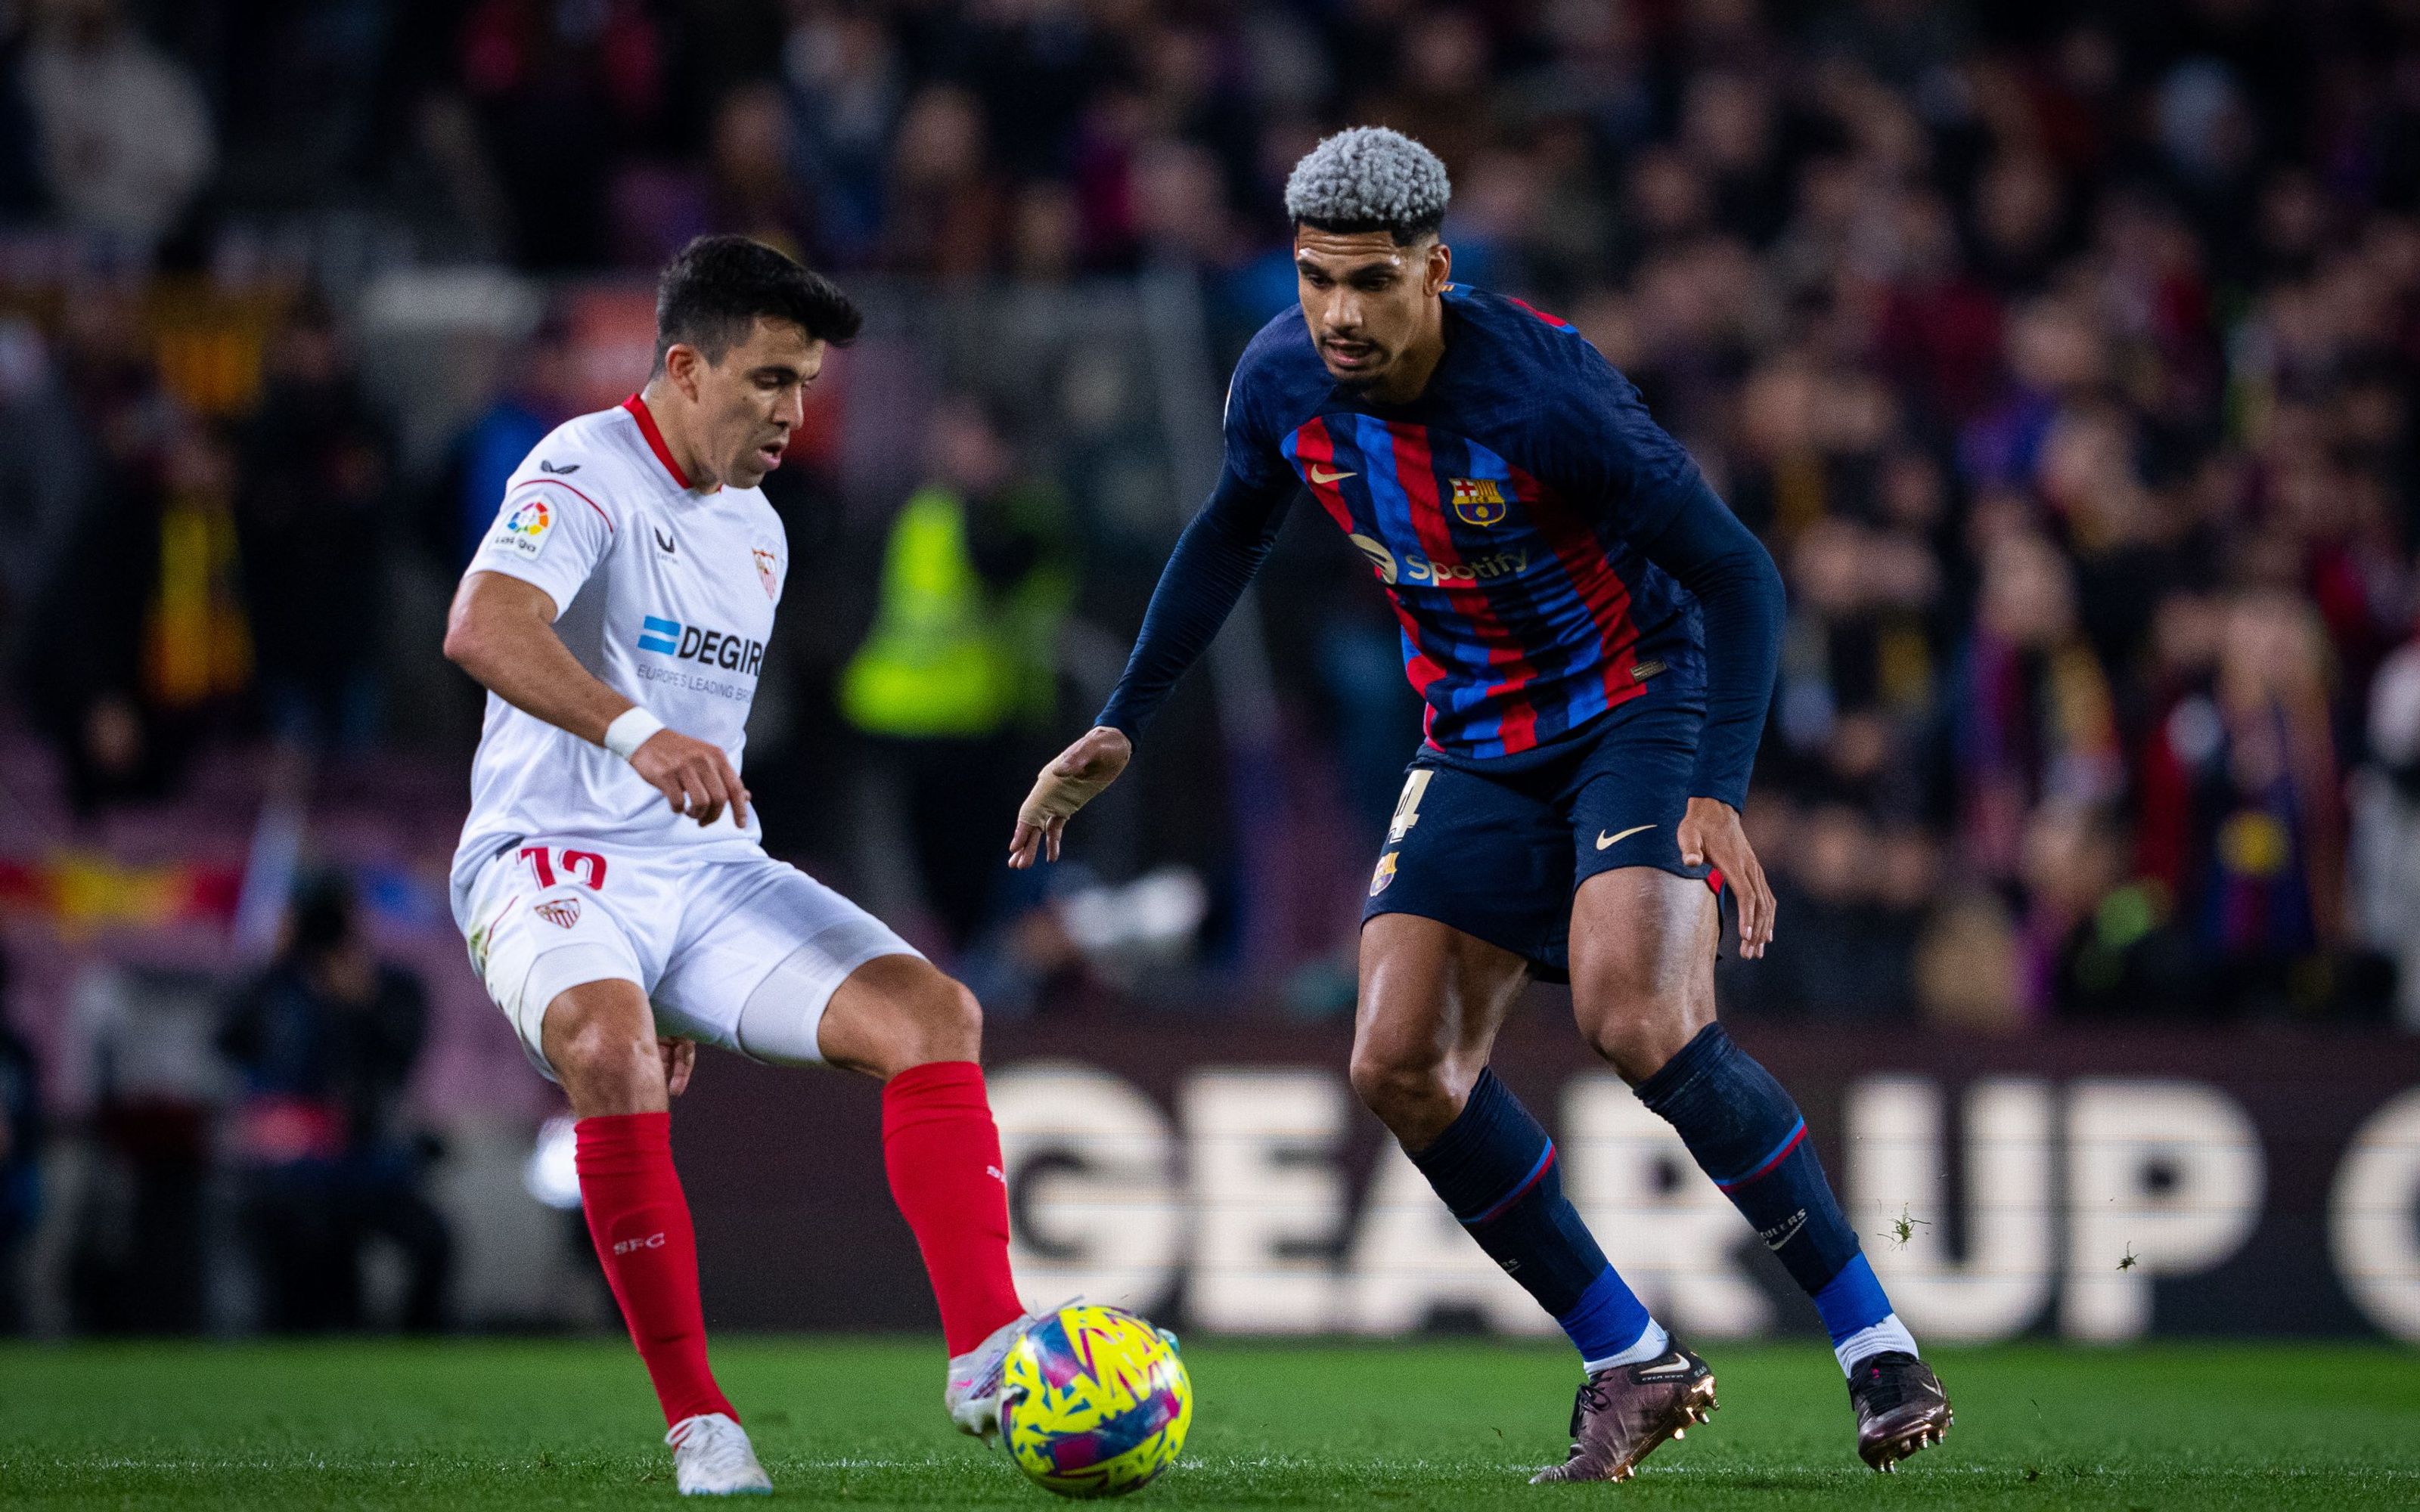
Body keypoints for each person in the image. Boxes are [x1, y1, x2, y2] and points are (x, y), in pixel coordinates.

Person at [1012, 129, 1951, 1481]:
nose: (1339, 311)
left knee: (1638, 1015)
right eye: (1317, 277)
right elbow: (1228, 531)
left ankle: (1877, 1347)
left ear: (1437, 271)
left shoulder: (1550, 396)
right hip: (1477, 736)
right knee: (1397, 1061)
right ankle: (1630, 1362)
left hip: (1641, 699)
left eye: (1374, 281)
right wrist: (1123, 719)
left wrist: (1721, 794)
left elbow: (1740, 576)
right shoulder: (1280, 375)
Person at [442, 235, 1037, 1495]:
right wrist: (632, 732)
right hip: (546, 857)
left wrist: (677, 971)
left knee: (936, 1014)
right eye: (770, 380)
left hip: (698, 877)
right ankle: (701, 1423)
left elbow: (702, 770)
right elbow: (484, 626)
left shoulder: (757, 534)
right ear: (683, 367)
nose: (794, 413)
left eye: (807, 385)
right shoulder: (581, 465)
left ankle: (988, 1351)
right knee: (607, 1050)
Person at [218, 872, 452, 1332]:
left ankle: (416, 1353)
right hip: (293, 1169)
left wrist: (364, 1003)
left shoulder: (389, 986)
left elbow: (401, 1059)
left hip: (368, 1158)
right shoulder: (274, 987)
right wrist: (274, 964)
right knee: (298, 1255)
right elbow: (228, 1041)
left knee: (434, 1244)